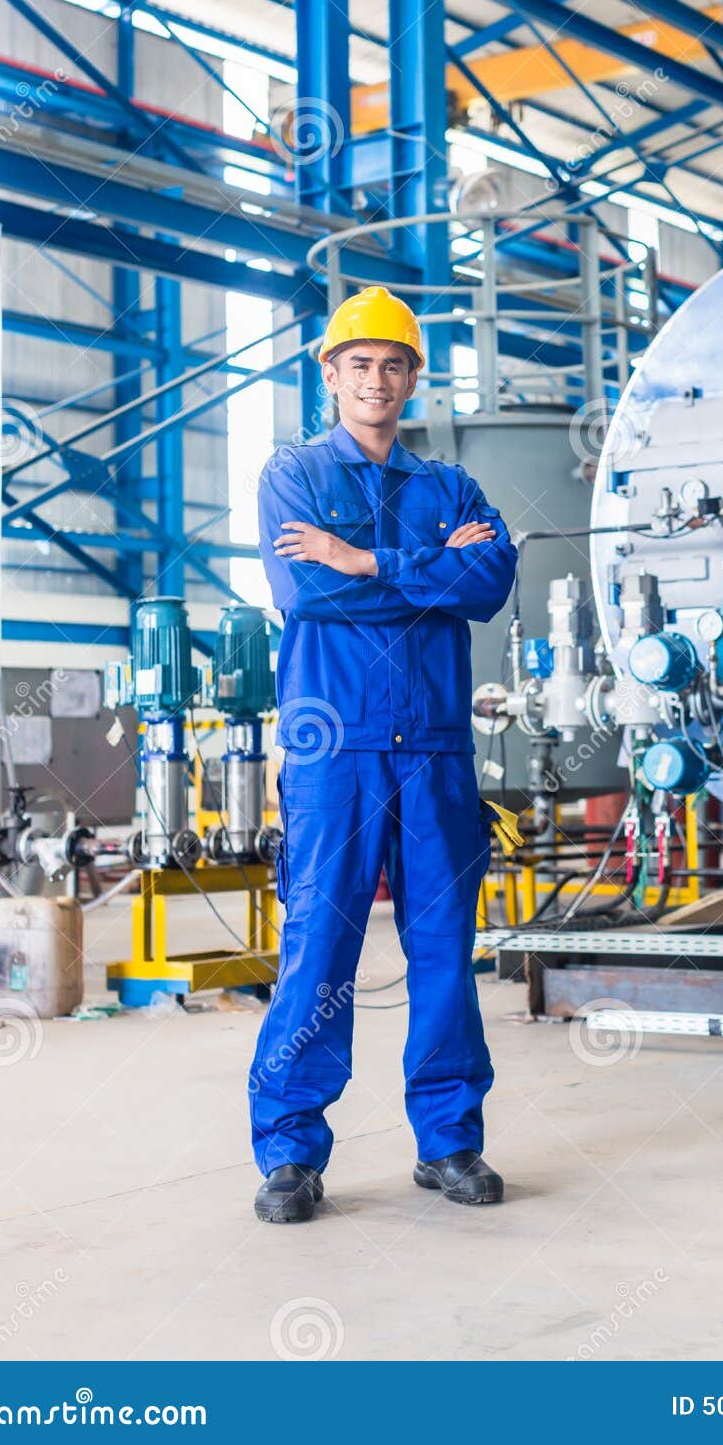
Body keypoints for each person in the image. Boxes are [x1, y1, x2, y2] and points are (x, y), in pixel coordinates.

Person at [249, 285, 518, 1223]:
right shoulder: (291, 477)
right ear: (330, 374)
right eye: (358, 363)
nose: (375, 378)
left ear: (412, 380)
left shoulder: (451, 489)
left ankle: (449, 1143)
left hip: (435, 753)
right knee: (317, 949)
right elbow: (306, 594)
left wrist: (365, 560)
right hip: (337, 753)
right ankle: (289, 1153)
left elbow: (489, 582)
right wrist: (428, 572)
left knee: (444, 951)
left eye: (392, 364)